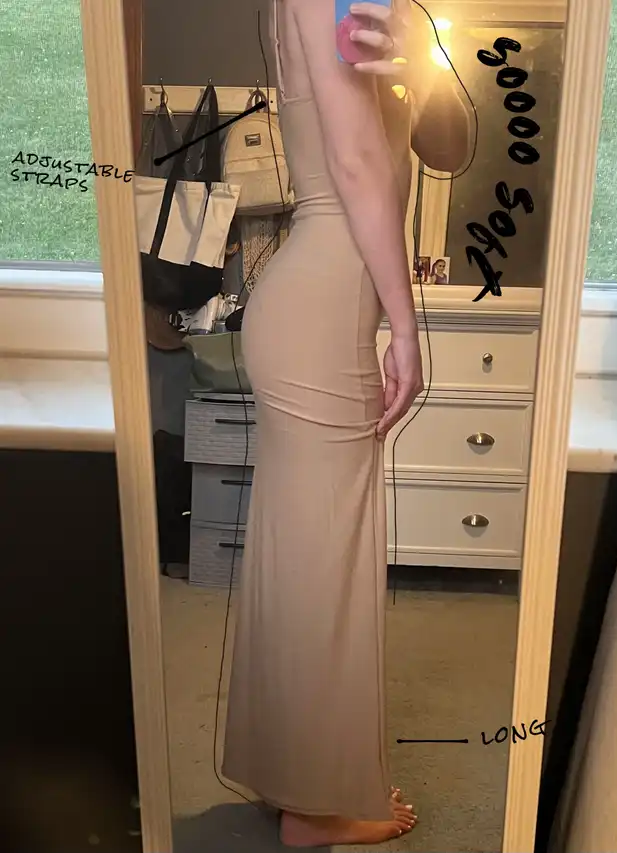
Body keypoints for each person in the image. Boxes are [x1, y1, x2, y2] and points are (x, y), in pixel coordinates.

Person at [221, 0, 468, 846]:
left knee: (305, 560)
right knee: (324, 566)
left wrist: (418, 60)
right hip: (322, 313)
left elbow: (446, 146)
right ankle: (313, 808)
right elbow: (359, 163)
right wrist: (404, 325)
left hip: (314, 306)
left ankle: (294, 777)